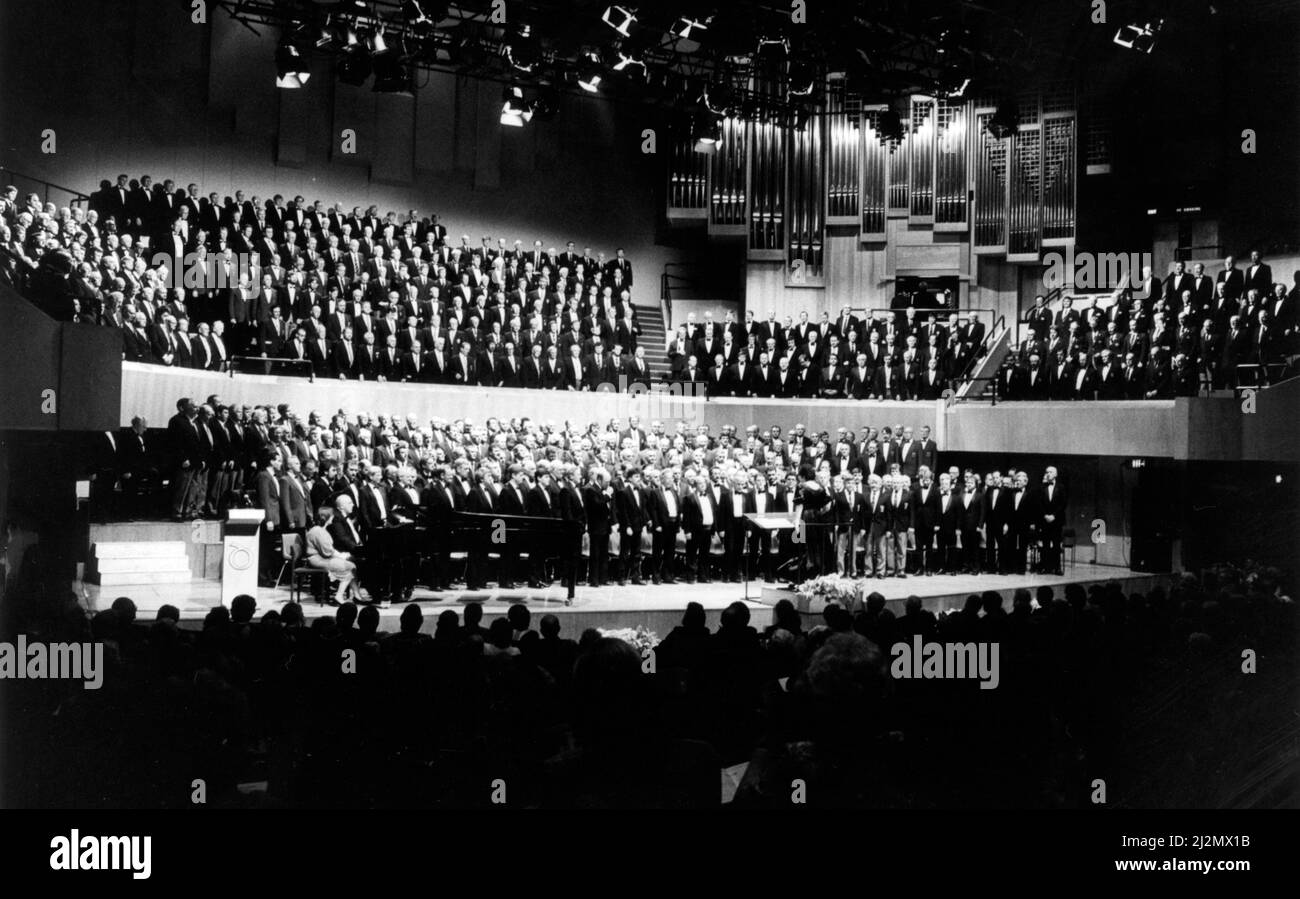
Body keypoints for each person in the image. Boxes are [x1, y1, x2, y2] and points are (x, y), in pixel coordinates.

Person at [304, 505, 359, 604]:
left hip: (322, 558)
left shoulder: (321, 529)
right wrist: (342, 555)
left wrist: (341, 555)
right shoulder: (317, 531)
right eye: (332, 516)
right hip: (317, 560)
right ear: (327, 518)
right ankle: (339, 596)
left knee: (350, 564)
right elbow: (328, 552)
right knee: (351, 566)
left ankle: (356, 594)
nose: (333, 518)